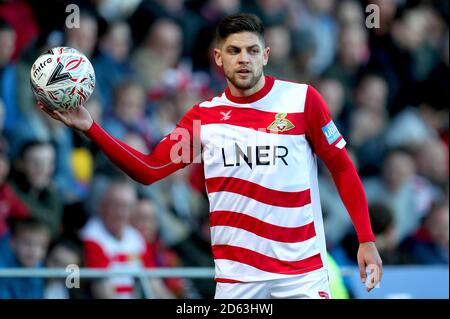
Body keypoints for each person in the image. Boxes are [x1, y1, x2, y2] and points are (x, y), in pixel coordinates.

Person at [38, 13, 382, 299]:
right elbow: (149, 169)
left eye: (251, 50)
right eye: (233, 50)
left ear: (266, 55)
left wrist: (366, 238)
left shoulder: (303, 101)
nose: (243, 58)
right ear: (218, 58)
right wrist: (91, 126)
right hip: (236, 282)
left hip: (300, 277)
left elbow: (341, 167)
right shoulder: (205, 118)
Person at [0, 217, 51, 298]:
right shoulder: (2, 268)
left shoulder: (40, 267)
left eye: (41, 246)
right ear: (13, 243)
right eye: (27, 243)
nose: (34, 251)